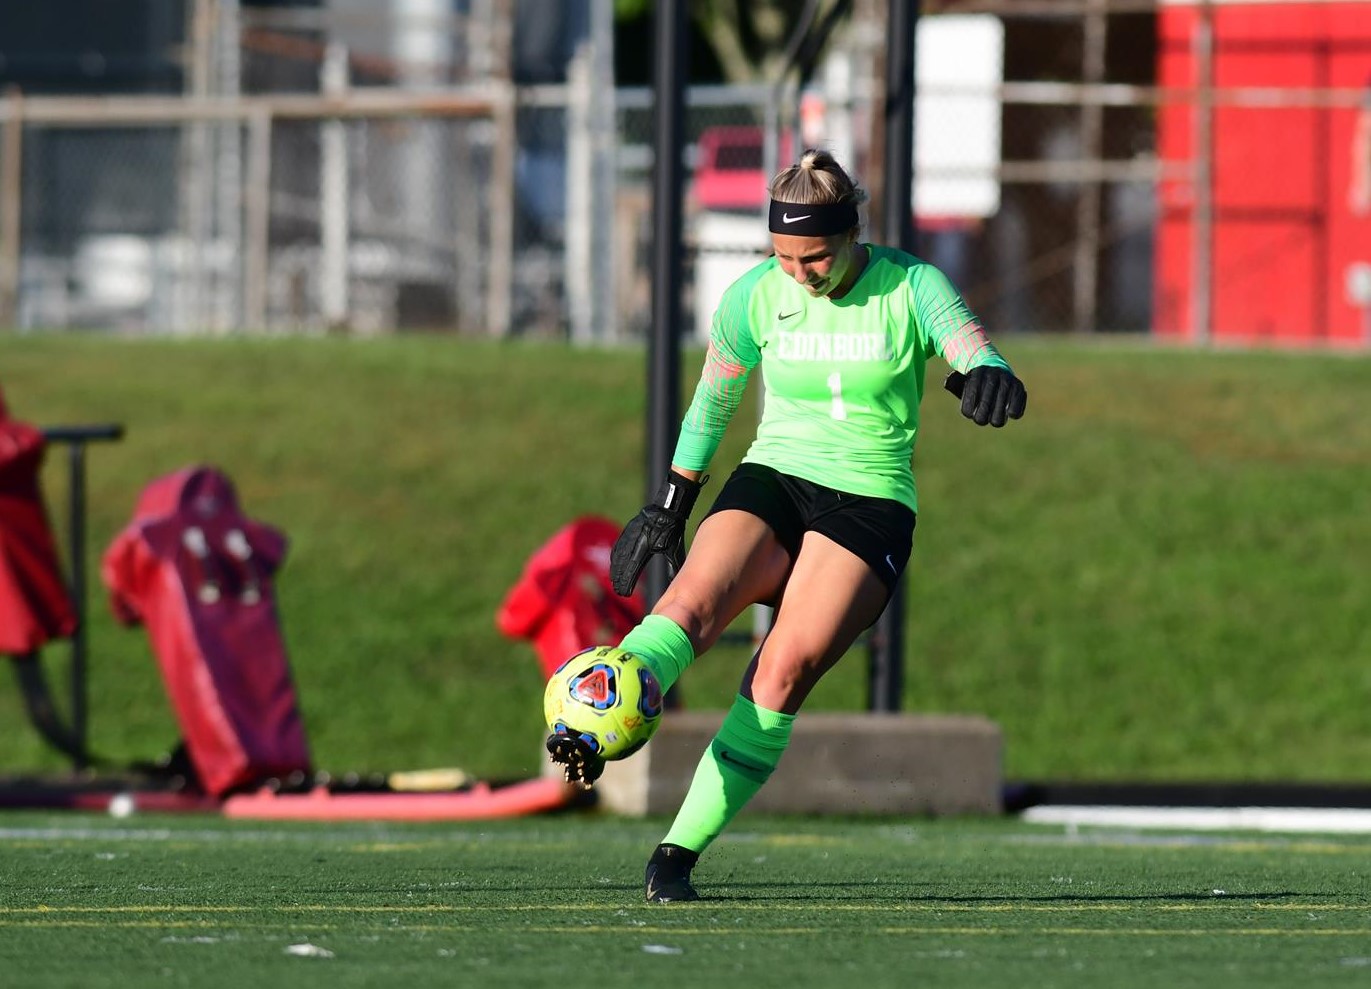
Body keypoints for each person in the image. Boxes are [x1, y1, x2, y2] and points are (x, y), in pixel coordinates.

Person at [546, 149, 1027, 903]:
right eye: (783, 256)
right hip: (774, 474)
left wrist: (989, 369)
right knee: (689, 605)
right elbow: (713, 401)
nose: (800, 273)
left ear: (850, 236)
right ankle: (589, 721)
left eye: (817, 257)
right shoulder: (753, 297)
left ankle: (675, 851)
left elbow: (967, 344)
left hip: (868, 498)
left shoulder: (909, 283)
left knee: (780, 668)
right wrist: (672, 502)